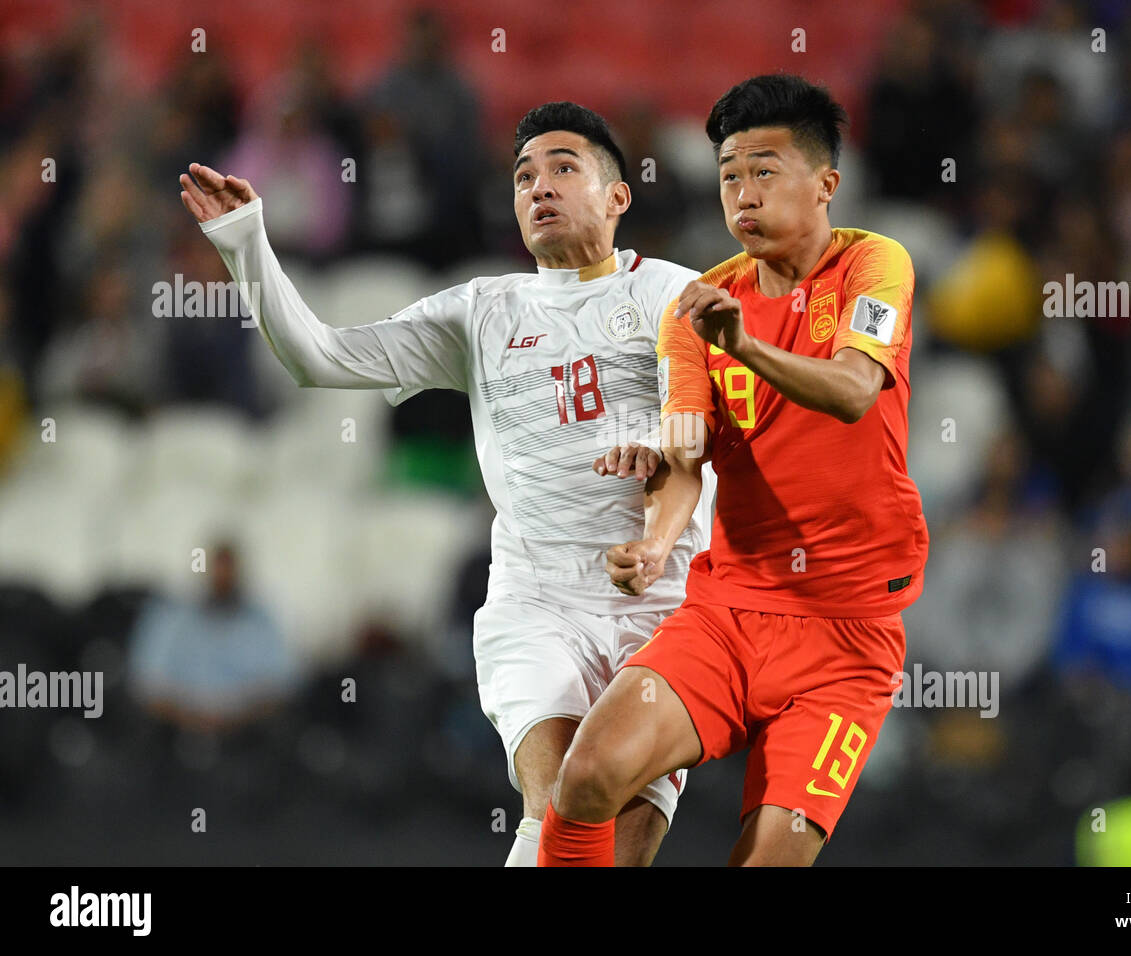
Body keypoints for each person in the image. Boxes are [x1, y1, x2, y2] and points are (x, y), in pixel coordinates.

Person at [179, 102, 711, 866]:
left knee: (615, 851)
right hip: (538, 603)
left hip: (662, 609)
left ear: (617, 196)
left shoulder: (674, 296)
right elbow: (318, 357)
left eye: (563, 168)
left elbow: (717, 436)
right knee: (558, 804)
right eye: (523, 176)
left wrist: (661, 468)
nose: (539, 187)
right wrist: (245, 242)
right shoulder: (482, 310)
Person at [540, 75, 929, 866]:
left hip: (847, 636)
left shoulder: (873, 265)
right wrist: (657, 545)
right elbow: (686, 459)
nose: (743, 194)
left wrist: (745, 345)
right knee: (586, 774)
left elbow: (855, 391)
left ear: (825, 185)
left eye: (764, 171)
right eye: (729, 175)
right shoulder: (699, 308)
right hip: (731, 609)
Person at [127, 543, 299, 733]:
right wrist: (191, 719)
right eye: (217, 570)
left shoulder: (261, 622)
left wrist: (233, 721)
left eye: (228, 572)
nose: (222, 578)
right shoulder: (172, 617)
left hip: (247, 732)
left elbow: (281, 685)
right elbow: (148, 683)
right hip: (175, 731)